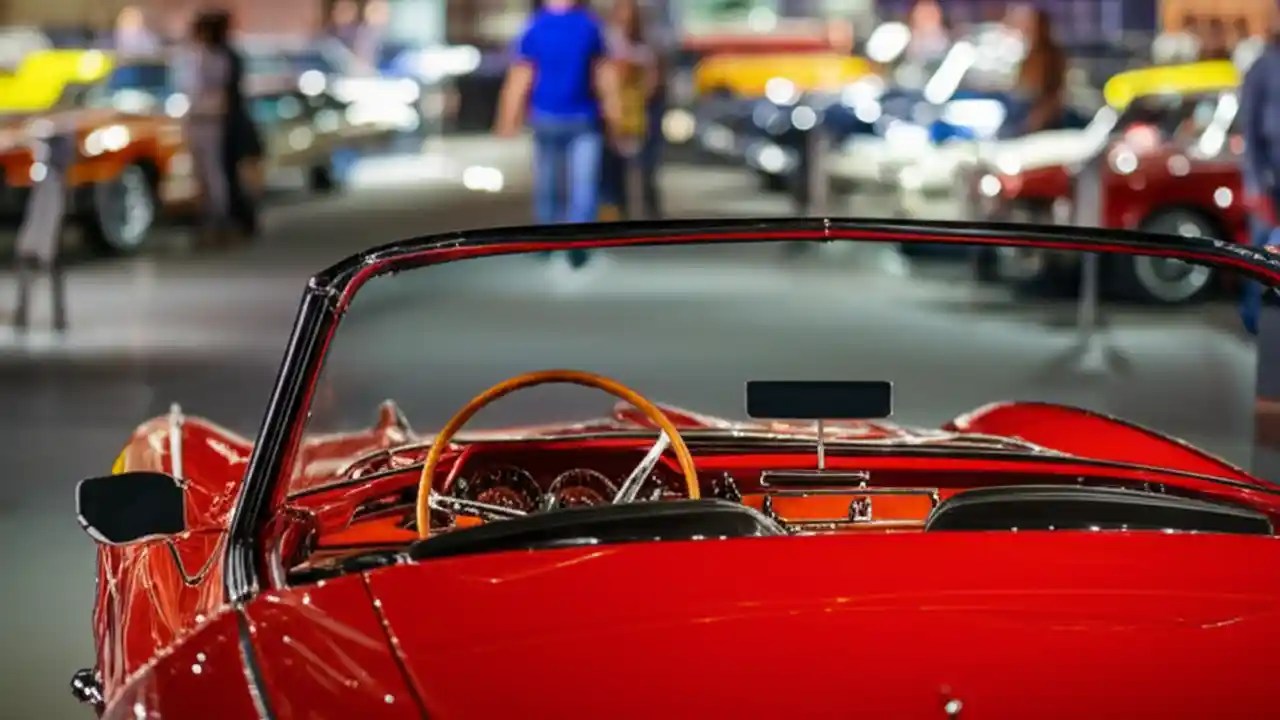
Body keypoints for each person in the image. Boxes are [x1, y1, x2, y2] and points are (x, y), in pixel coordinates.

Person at [496, 0, 623, 267]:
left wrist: (615, 114)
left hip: (579, 118)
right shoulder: (545, 26)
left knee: (579, 184)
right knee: (556, 183)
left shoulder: (582, 25)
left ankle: (571, 241)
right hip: (553, 118)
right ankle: (555, 238)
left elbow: (602, 73)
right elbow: (522, 74)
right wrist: (508, 116)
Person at [600, 0, 662, 220]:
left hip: (640, 114)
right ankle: (618, 213)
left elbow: (653, 79)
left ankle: (650, 214)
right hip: (615, 114)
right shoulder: (606, 42)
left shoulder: (645, 44)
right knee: (613, 170)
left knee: (645, 169)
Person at [1238, 12, 1280, 334]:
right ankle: (1256, 323)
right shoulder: (1263, 67)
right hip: (1269, 179)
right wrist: (1255, 185)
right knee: (1261, 257)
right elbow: (1250, 132)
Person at [175, 12, 232, 244]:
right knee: (200, 174)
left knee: (213, 172)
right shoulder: (191, 58)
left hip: (209, 121)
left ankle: (219, 219)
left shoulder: (217, 59)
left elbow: (218, 95)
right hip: (195, 120)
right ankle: (206, 218)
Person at [207, 10, 263, 239]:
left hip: (231, 122)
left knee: (234, 173)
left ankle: (242, 219)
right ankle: (241, 219)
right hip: (234, 119)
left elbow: (225, 92)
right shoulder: (226, 54)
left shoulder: (222, 56)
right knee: (232, 174)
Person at [1004, 6, 1066, 138]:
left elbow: (1055, 94)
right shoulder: (1028, 54)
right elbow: (1019, 85)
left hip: (1041, 117)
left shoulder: (1052, 56)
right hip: (1020, 111)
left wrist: (1038, 117)